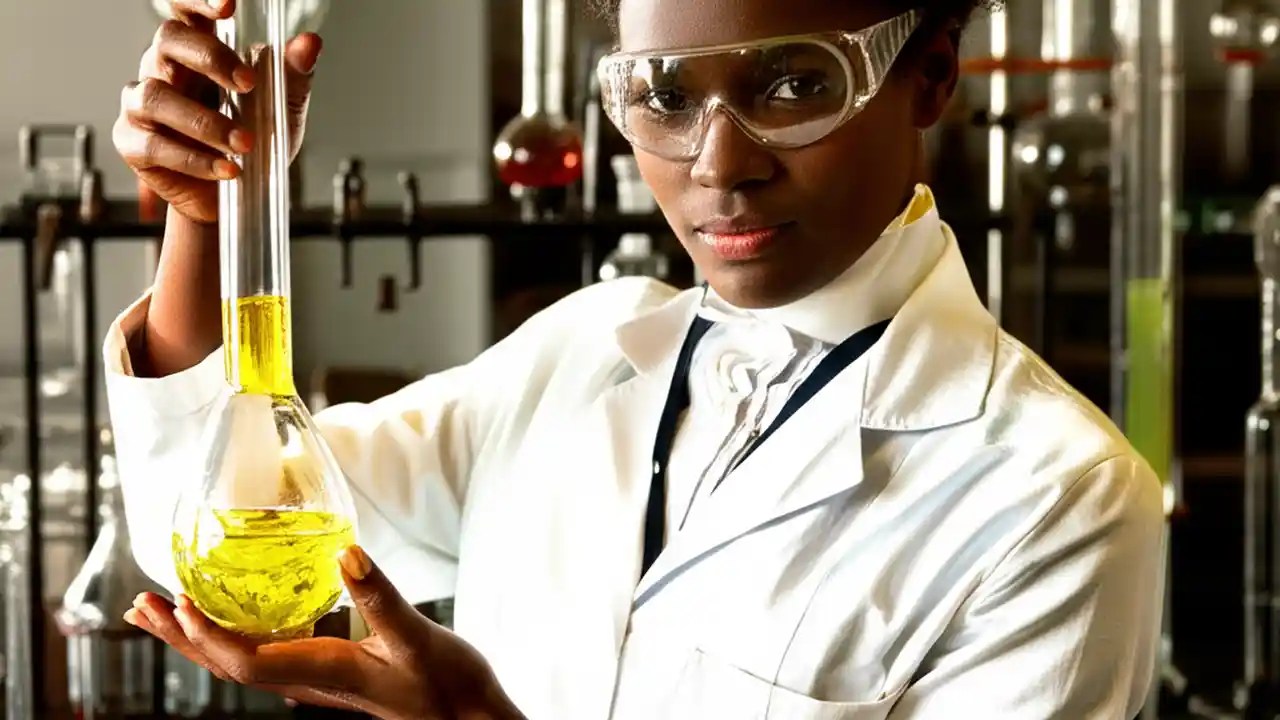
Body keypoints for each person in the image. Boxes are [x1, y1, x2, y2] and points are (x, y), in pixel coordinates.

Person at [106, 0, 1165, 717]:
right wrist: (215, 209)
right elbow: (211, 540)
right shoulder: (579, 354)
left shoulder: (1052, 496)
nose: (719, 164)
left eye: (793, 85)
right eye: (660, 96)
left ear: (925, 76)